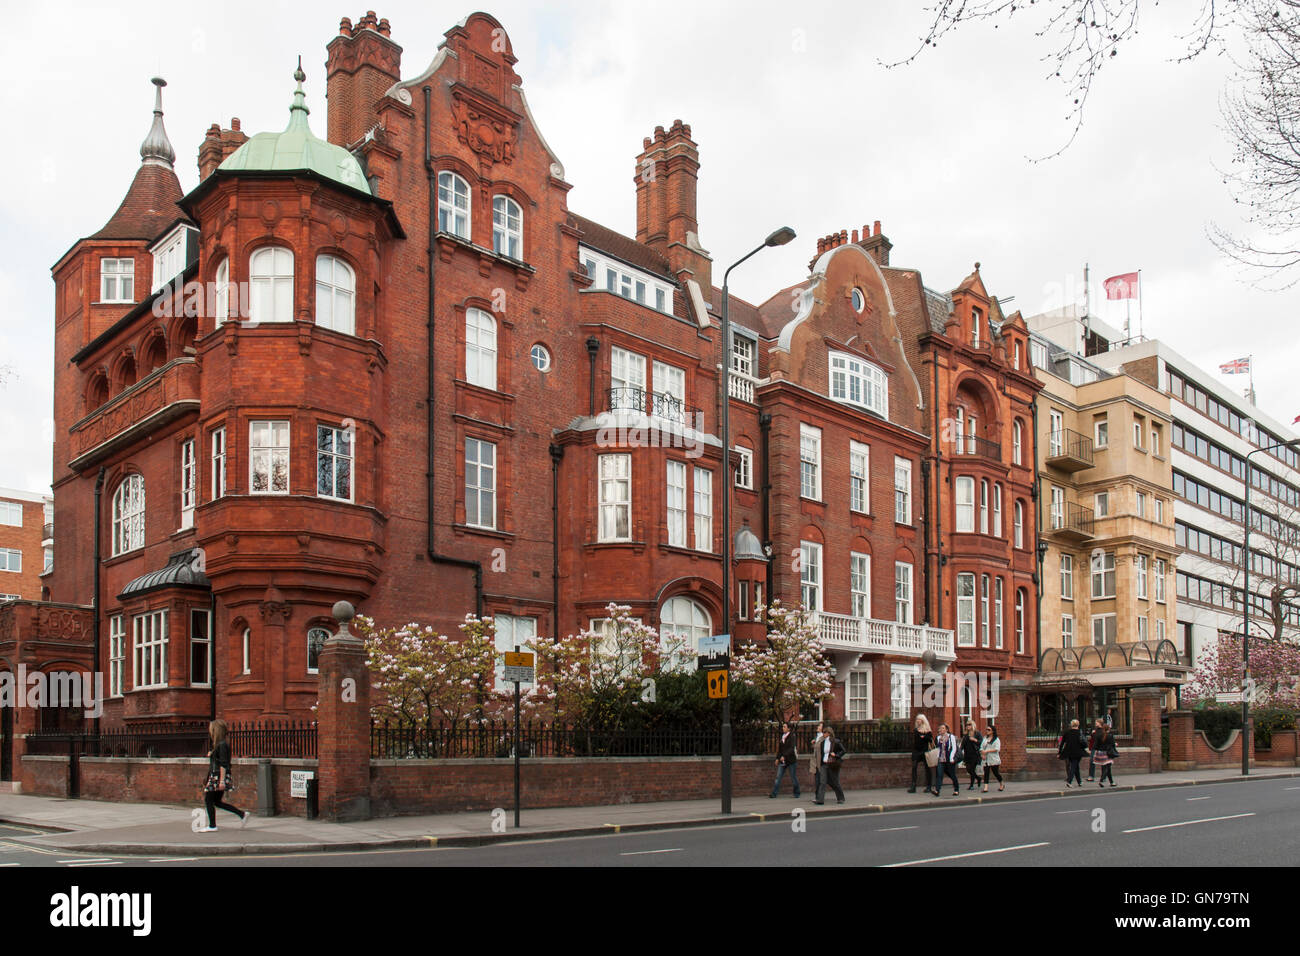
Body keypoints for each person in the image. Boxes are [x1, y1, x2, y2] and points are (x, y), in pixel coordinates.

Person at [201, 718, 249, 832]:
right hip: (216, 776)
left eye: (211, 730)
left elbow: (223, 764)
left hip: (218, 776)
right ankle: (242, 814)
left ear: (216, 731)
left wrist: (221, 781)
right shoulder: (220, 745)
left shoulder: (222, 745)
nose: (210, 732)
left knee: (209, 800)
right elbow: (218, 761)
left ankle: (212, 826)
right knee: (216, 802)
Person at [814, 724, 846, 804]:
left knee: (835, 781)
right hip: (824, 764)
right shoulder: (822, 743)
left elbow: (843, 750)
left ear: (829, 733)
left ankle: (841, 798)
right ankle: (820, 800)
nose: (823, 734)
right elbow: (821, 753)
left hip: (832, 764)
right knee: (823, 782)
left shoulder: (836, 741)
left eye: (825, 732)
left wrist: (836, 755)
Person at [770, 721, 801, 798]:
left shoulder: (792, 736)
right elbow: (780, 749)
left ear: (789, 728)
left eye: (784, 727)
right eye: (783, 727)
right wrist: (777, 758)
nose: (783, 728)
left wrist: (784, 756)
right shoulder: (783, 737)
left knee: (793, 777)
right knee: (778, 777)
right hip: (782, 760)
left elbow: (791, 748)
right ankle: (774, 793)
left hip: (791, 760)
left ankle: (797, 793)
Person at [932, 723, 961, 796]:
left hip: (949, 759)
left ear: (946, 730)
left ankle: (956, 789)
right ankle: (937, 790)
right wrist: (937, 757)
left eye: (943, 728)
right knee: (939, 774)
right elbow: (938, 748)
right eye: (940, 728)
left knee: (952, 774)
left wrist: (952, 758)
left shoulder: (951, 737)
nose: (941, 730)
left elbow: (954, 748)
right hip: (941, 759)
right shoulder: (938, 738)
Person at [1058, 718, 1088, 788]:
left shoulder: (1067, 732)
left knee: (1075, 766)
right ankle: (1069, 781)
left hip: (1069, 751)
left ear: (1071, 725)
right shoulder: (1079, 732)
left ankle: (1079, 781)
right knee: (1074, 766)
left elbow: (1062, 743)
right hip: (1078, 751)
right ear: (1078, 724)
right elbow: (1084, 743)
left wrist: (1059, 752)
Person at [909, 714, 934, 794]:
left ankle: (929, 786)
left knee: (927, 768)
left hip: (925, 751)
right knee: (914, 767)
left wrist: (924, 736)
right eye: (917, 719)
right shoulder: (916, 730)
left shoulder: (927, 730)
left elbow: (930, 740)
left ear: (923, 720)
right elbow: (915, 741)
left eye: (919, 719)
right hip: (917, 751)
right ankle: (913, 786)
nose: (918, 721)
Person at [980, 725, 1004, 792]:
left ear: (992, 731)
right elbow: (981, 747)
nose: (987, 731)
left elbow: (997, 749)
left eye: (989, 730)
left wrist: (987, 751)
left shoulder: (996, 739)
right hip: (986, 759)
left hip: (993, 759)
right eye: (986, 729)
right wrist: (982, 753)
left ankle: (1001, 783)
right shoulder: (985, 738)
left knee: (995, 772)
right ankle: (986, 787)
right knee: (986, 772)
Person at [961, 724, 983, 790]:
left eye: (969, 725)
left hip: (975, 754)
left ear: (973, 725)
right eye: (967, 725)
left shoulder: (977, 733)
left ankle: (971, 785)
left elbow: (981, 742)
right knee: (968, 769)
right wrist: (959, 750)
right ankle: (978, 778)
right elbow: (963, 744)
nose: (968, 726)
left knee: (972, 769)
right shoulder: (966, 735)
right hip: (967, 754)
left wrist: (974, 740)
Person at [809, 721, 826, 798]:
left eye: (819, 726)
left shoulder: (823, 737)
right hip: (815, 761)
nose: (818, 727)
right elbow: (815, 748)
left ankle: (819, 796)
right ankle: (817, 795)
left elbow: (822, 749)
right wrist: (813, 743)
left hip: (820, 761)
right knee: (817, 779)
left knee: (819, 779)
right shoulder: (817, 736)